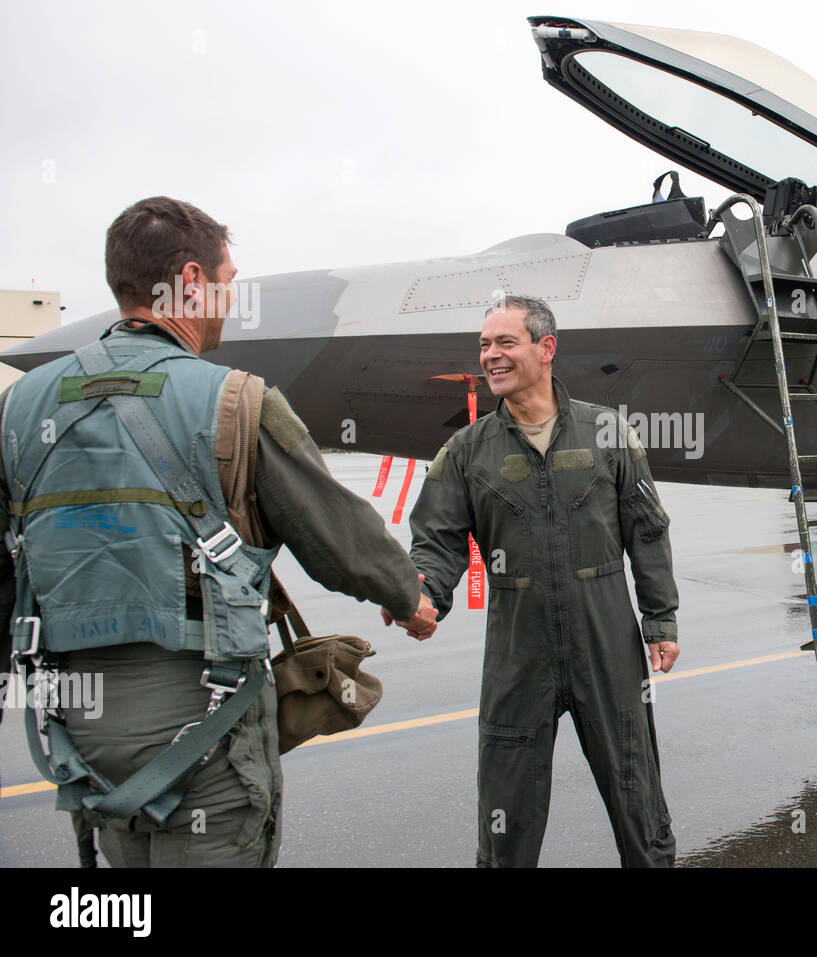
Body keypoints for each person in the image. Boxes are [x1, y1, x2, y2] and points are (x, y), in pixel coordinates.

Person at [0, 196, 436, 867]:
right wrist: (408, 595)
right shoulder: (236, 399)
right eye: (227, 285)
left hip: (79, 735)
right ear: (193, 282)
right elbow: (334, 530)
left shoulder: (22, 406)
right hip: (203, 729)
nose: (229, 303)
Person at [406, 294, 679, 867]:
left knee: (637, 794)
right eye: (484, 345)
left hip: (605, 638)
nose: (491, 356)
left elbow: (647, 530)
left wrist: (660, 619)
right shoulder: (466, 451)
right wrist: (426, 593)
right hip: (517, 648)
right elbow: (437, 540)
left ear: (546, 347)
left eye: (505, 342)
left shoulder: (608, 433)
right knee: (506, 812)